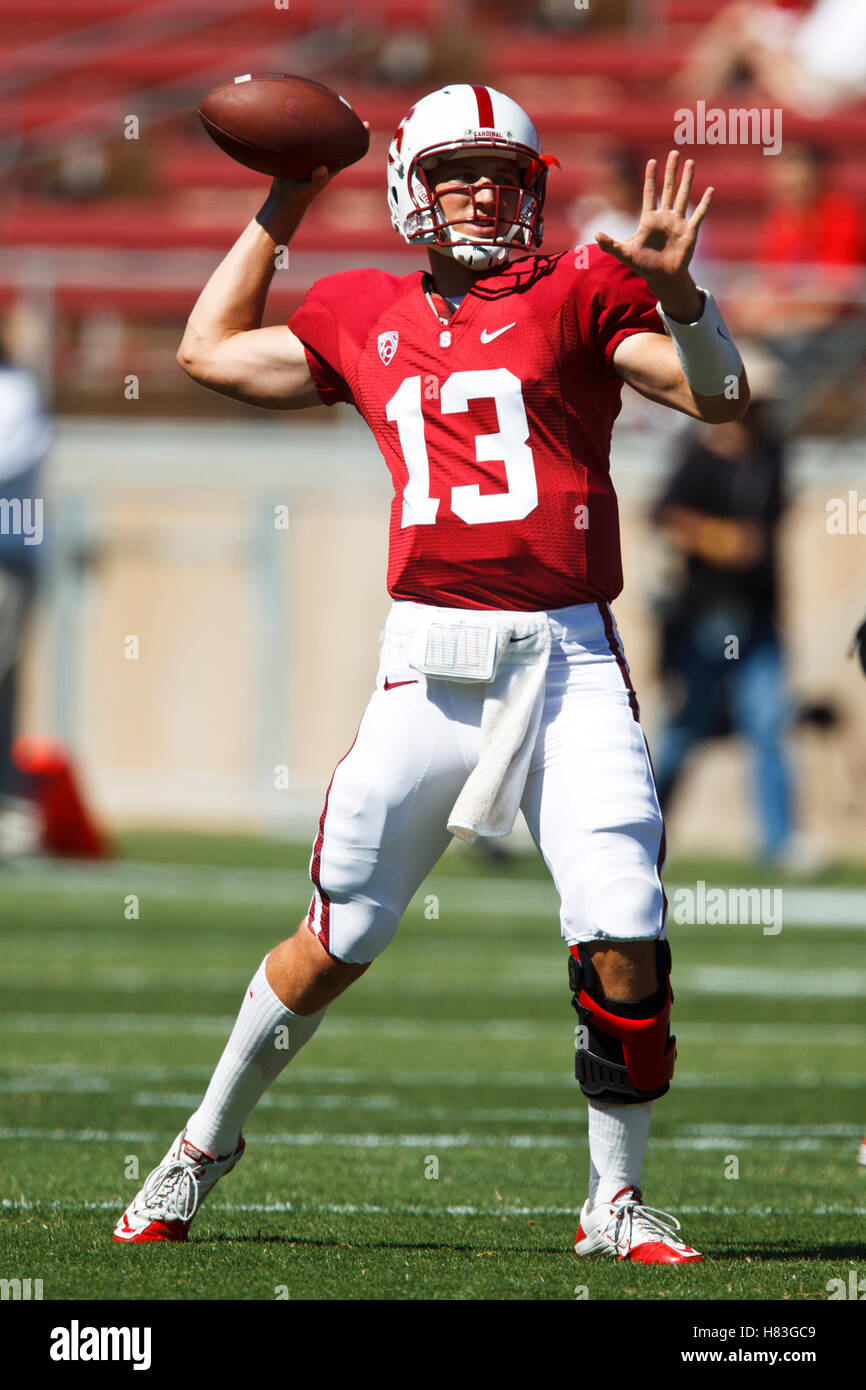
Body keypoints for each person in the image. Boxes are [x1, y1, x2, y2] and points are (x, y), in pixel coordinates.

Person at [114, 84, 749, 1261]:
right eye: (456, 170)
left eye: (503, 173)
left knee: (626, 927)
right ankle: (200, 1146)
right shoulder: (361, 310)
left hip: (565, 660)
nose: (481, 190)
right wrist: (287, 194)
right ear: (410, 183)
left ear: (533, 189)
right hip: (425, 666)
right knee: (336, 937)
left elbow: (718, 395)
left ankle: (611, 1202)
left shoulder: (579, 287)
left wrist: (681, 296)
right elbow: (204, 351)